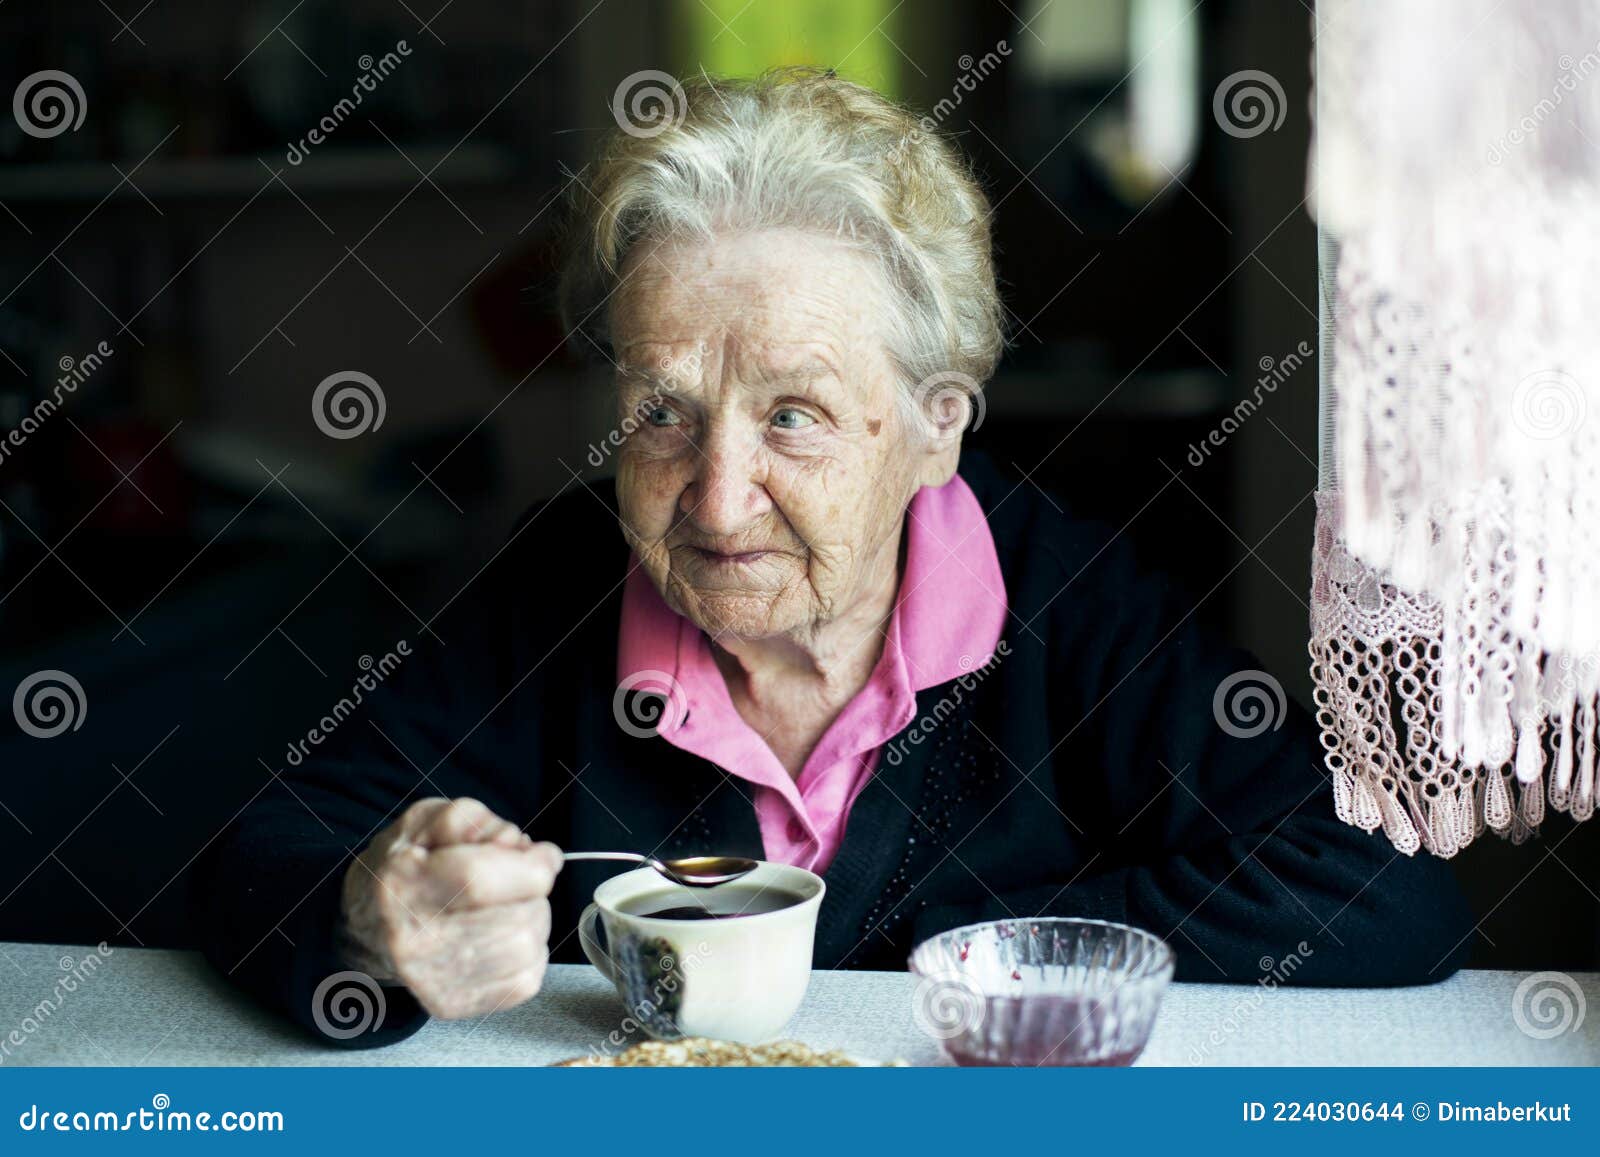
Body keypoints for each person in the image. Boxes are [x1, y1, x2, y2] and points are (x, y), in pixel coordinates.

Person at [198, 69, 1472, 1045]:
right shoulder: (555, 586)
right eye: (660, 409)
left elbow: (1375, 886)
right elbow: (262, 851)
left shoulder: (1074, 601)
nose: (714, 492)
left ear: (935, 428)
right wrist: (376, 912)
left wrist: (953, 948)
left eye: (792, 414)